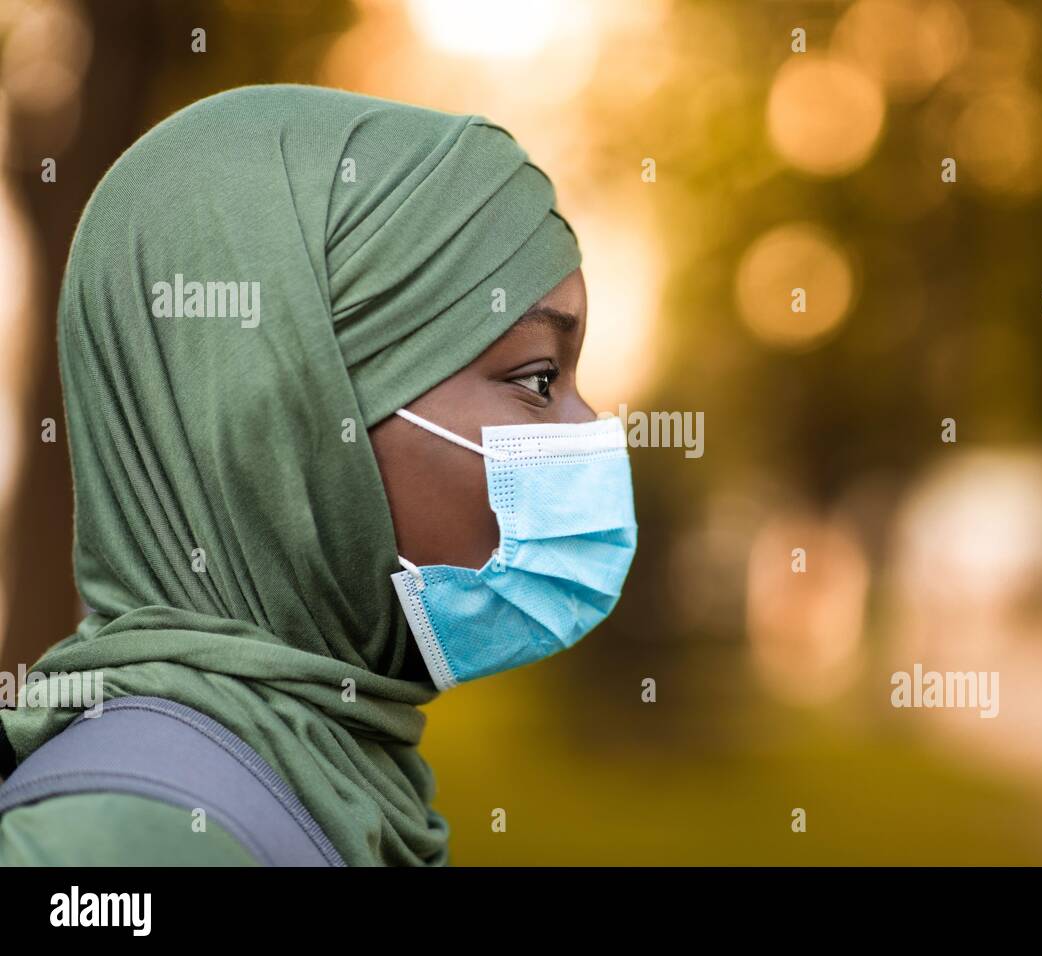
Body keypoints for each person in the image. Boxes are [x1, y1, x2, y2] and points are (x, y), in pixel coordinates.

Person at [0, 84, 636, 866]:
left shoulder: (330, 767)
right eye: (538, 380)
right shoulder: (127, 841)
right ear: (283, 413)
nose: (593, 430)